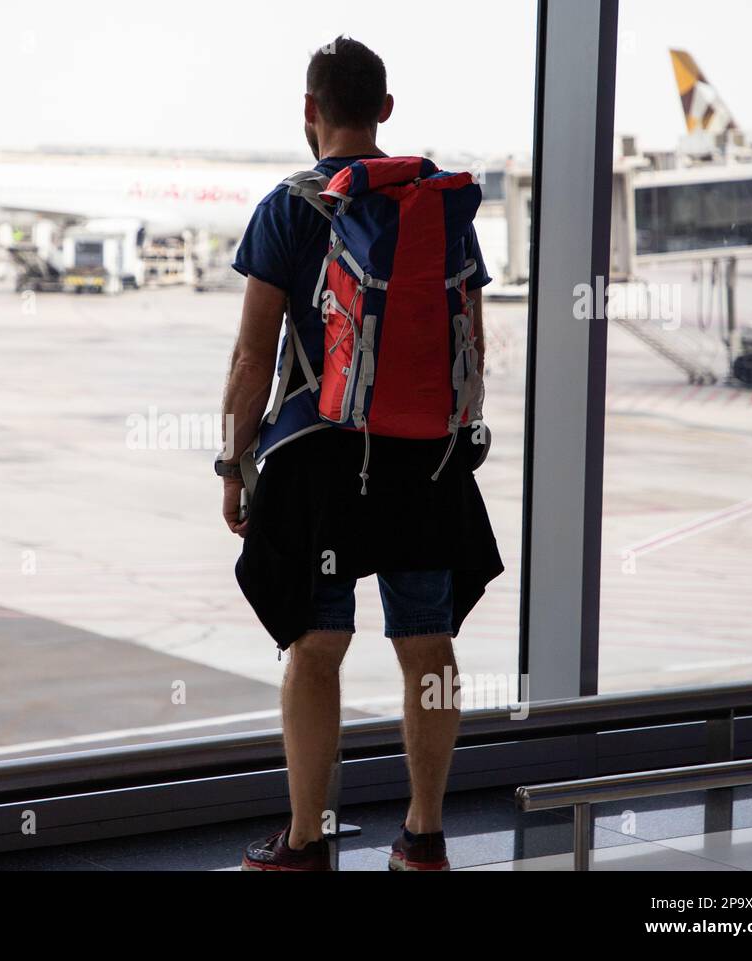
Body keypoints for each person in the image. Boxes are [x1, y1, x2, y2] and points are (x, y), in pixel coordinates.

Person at [217, 36, 503, 871]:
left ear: (310, 111)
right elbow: (473, 344)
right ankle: (424, 834)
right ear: (384, 108)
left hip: (319, 459)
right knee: (428, 644)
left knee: (317, 649)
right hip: (423, 457)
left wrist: (235, 465)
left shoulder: (287, 206)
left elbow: (251, 356)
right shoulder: (440, 203)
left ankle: (306, 839)